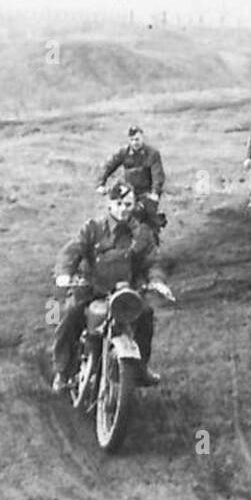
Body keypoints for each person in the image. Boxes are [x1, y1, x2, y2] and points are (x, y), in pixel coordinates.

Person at [52, 182, 172, 393]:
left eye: (128, 204)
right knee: (70, 314)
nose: (123, 209)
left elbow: (153, 262)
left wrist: (157, 281)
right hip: (92, 289)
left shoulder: (142, 234)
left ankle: (140, 368)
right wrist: (64, 275)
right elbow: (70, 252)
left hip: (125, 292)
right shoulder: (93, 228)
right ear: (109, 205)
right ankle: (63, 371)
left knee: (145, 314)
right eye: (119, 204)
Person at [96, 125, 165, 221]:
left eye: (137, 139)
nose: (134, 143)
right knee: (117, 216)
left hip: (146, 193)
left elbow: (157, 174)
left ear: (142, 138)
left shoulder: (152, 154)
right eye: (132, 140)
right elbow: (108, 166)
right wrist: (100, 184)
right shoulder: (124, 152)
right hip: (128, 192)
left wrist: (155, 192)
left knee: (149, 223)